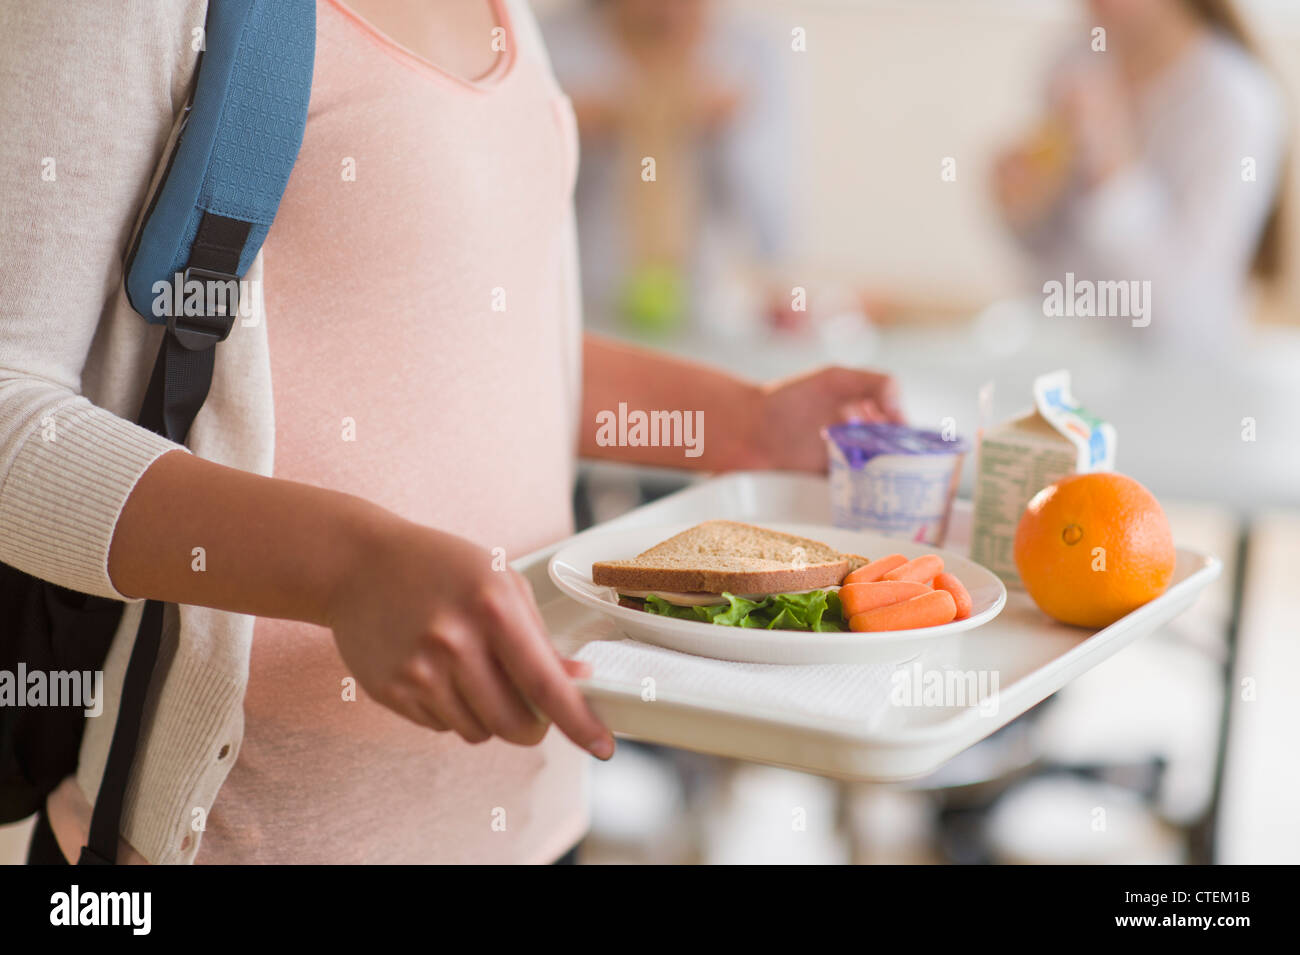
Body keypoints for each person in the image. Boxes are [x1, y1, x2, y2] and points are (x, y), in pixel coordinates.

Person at [1, 0, 901, 865]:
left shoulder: (511, 16)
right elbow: (13, 411)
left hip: (535, 820)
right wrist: (348, 569)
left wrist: (742, 421)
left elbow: (472, 339)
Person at [992, 0, 1288, 352]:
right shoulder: (1074, 62)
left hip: (1181, 373)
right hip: (1065, 355)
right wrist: (1025, 212)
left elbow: (1181, 313)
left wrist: (1113, 169)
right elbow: (1057, 263)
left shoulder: (1236, 103)